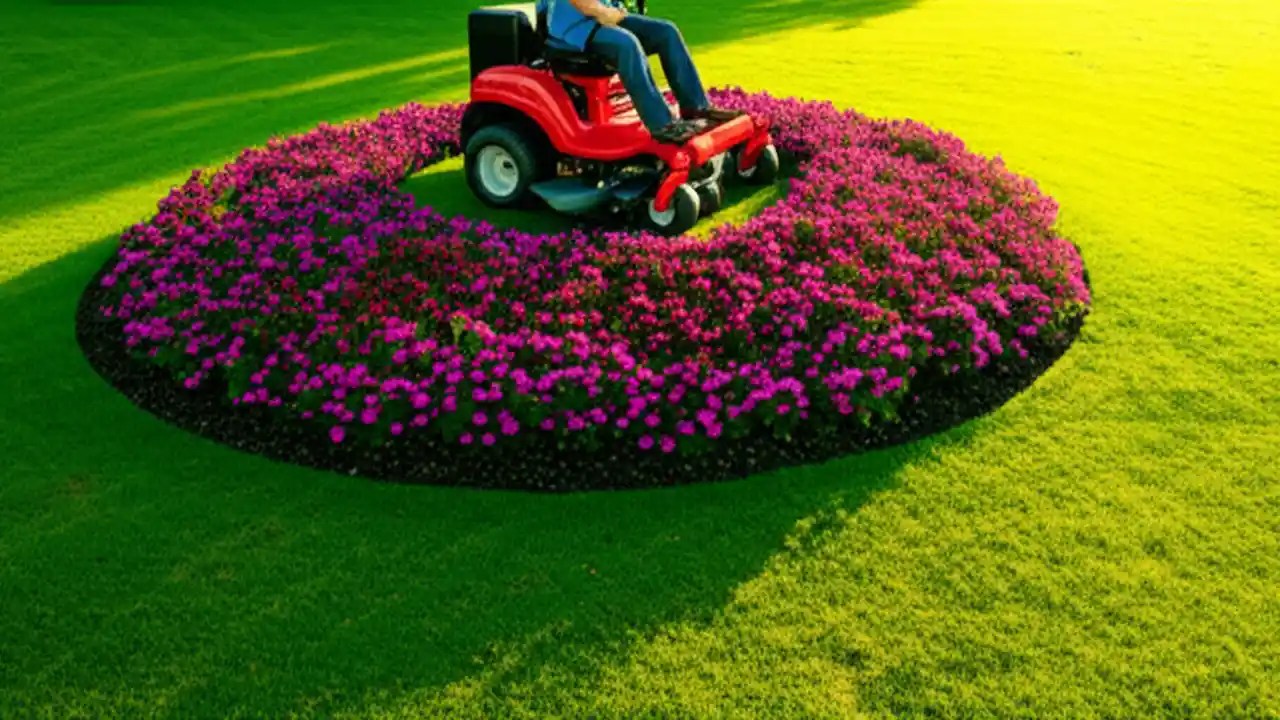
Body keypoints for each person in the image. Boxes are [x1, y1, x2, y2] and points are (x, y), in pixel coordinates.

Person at [536, 0, 741, 142]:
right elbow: (583, 4)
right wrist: (605, 13)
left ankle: (695, 106)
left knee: (666, 32)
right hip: (575, 28)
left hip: (606, 15)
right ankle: (662, 125)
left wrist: (613, 12)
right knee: (627, 44)